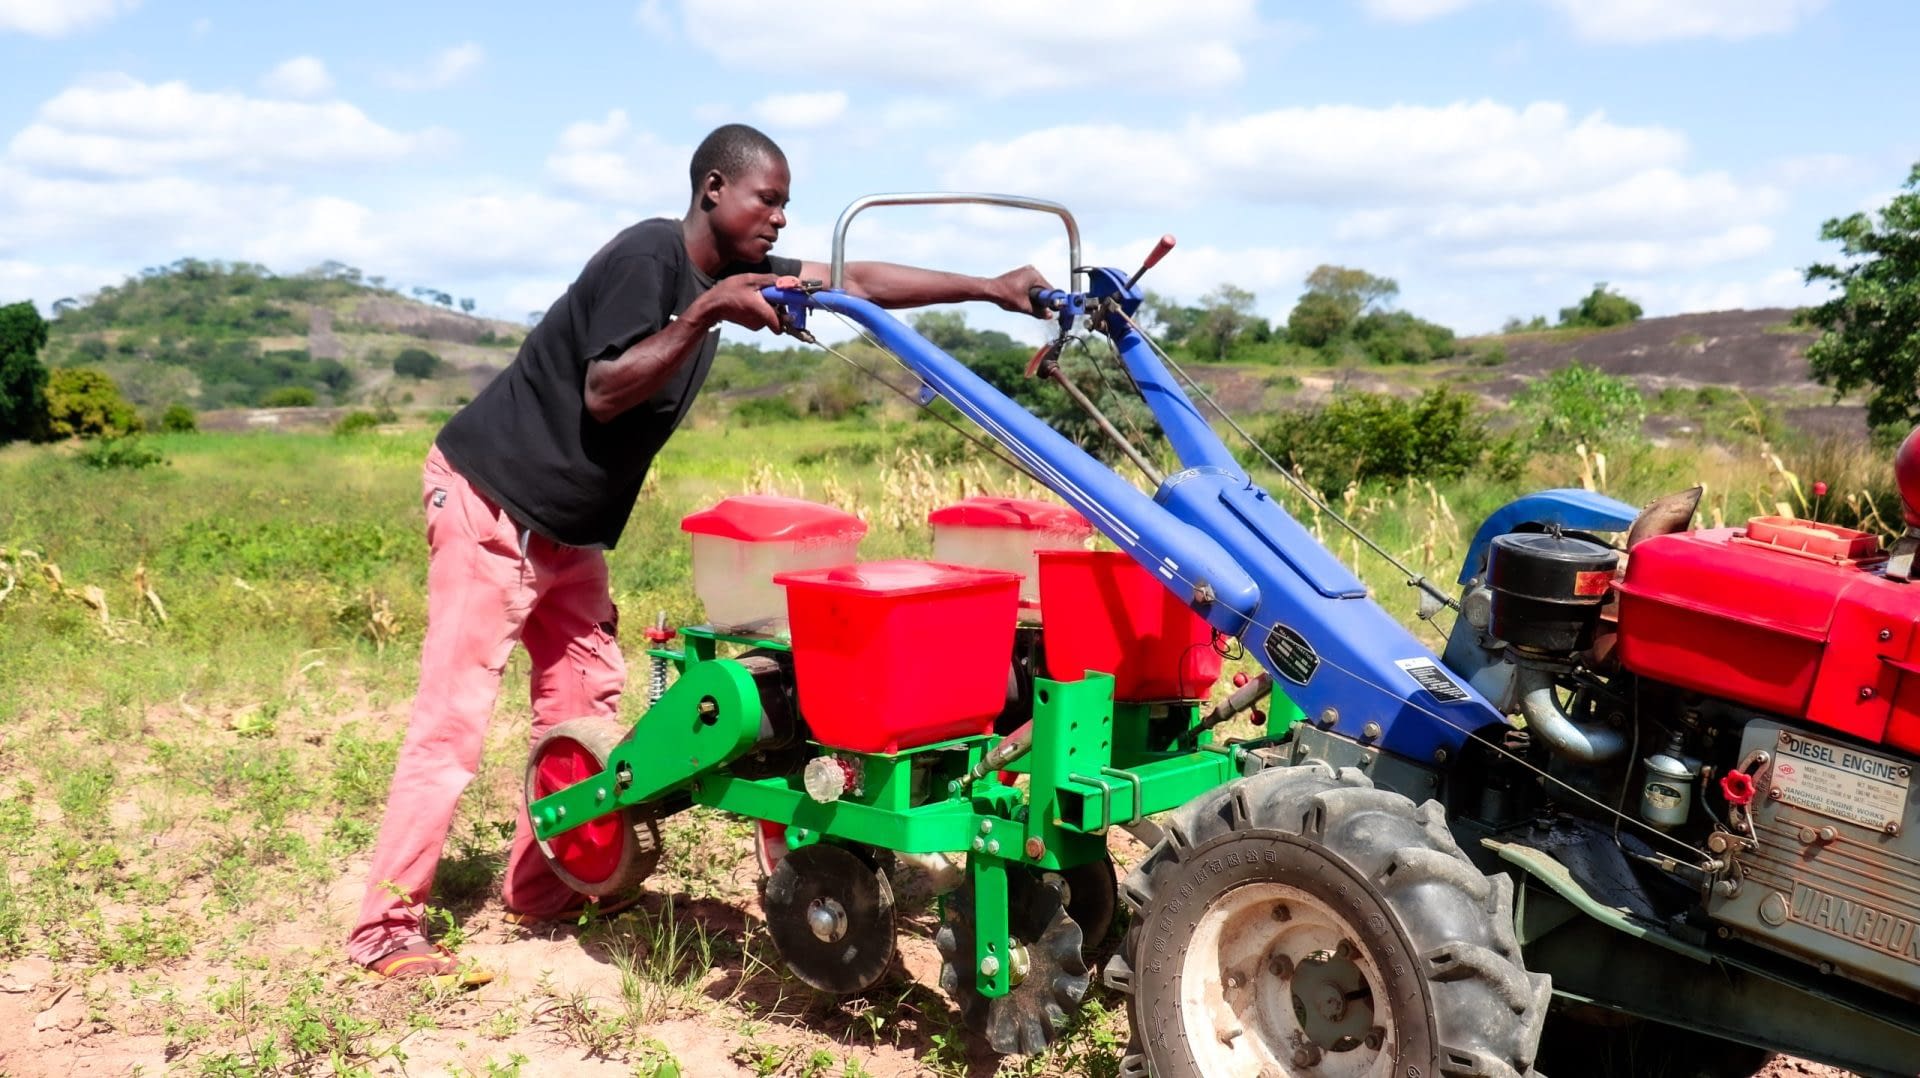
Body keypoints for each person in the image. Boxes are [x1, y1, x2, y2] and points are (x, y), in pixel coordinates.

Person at [346, 123, 1051, 982]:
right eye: (768, 200)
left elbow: (857, 279)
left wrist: (989, 287)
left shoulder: (730, 274)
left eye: (787, 205)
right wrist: (707, 312)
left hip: (569, 534)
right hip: (491, 502)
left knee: (583, 709)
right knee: (453, 722)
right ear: (714, 188)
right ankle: (385, 928)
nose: (781, 219)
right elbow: (605, 390)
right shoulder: (650, 257)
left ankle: (548, 885)